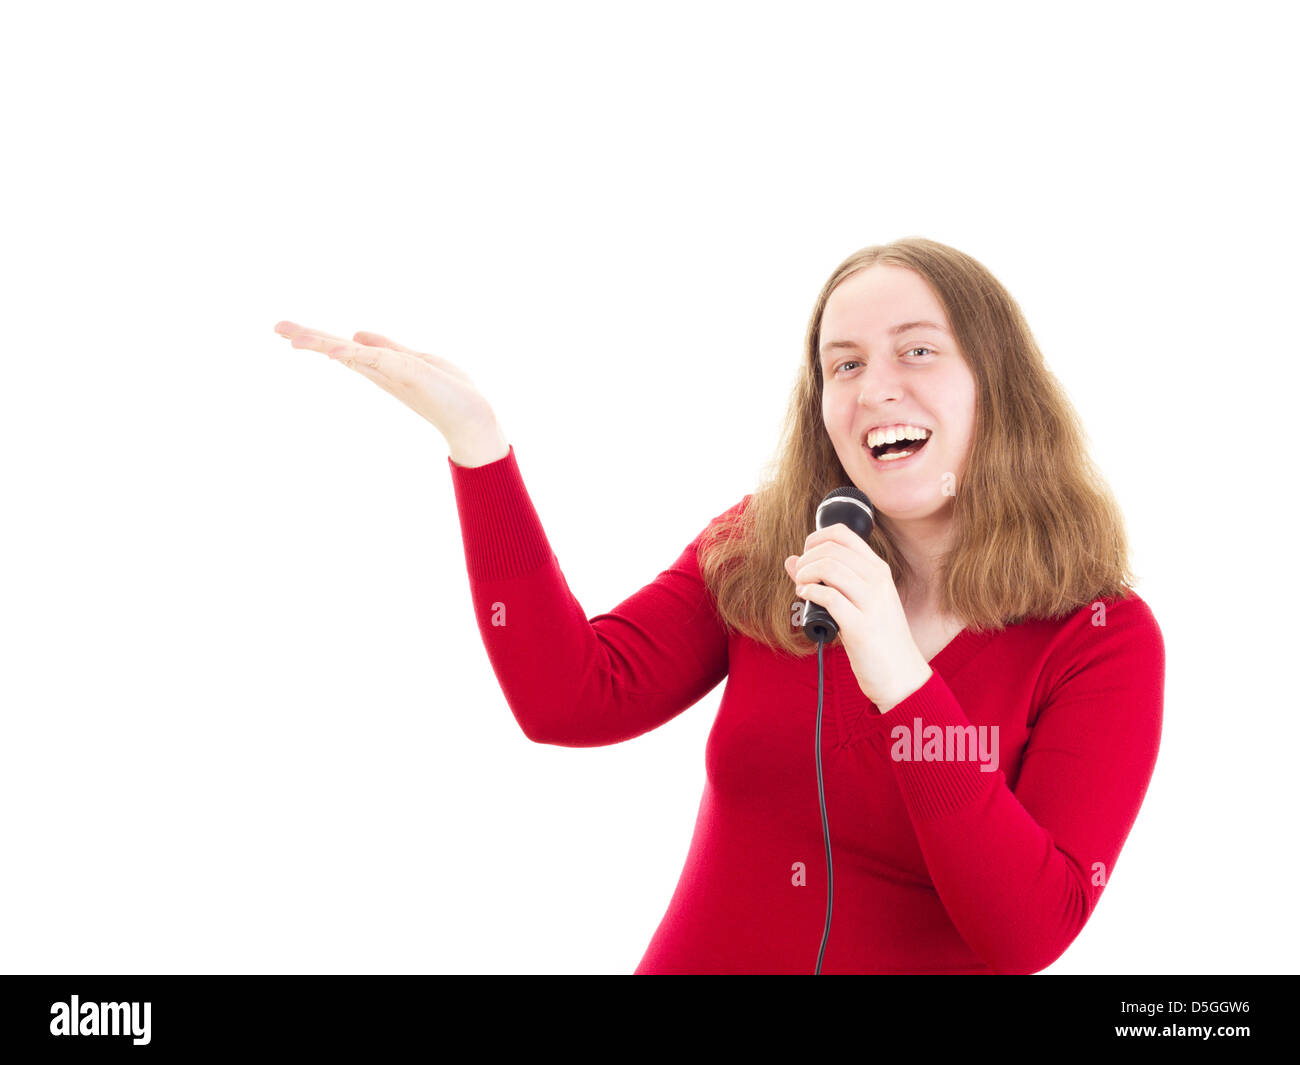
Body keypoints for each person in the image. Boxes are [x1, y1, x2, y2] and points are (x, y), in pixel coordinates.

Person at [273, 236, 1164, 974]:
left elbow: (1027, 931)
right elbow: (570, 697)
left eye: (917, 350)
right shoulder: (762, 545)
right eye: (842, 365)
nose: (874, 387)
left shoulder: (1102, 637)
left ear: (997, 385)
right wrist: (479, 447)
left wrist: (899, 675)